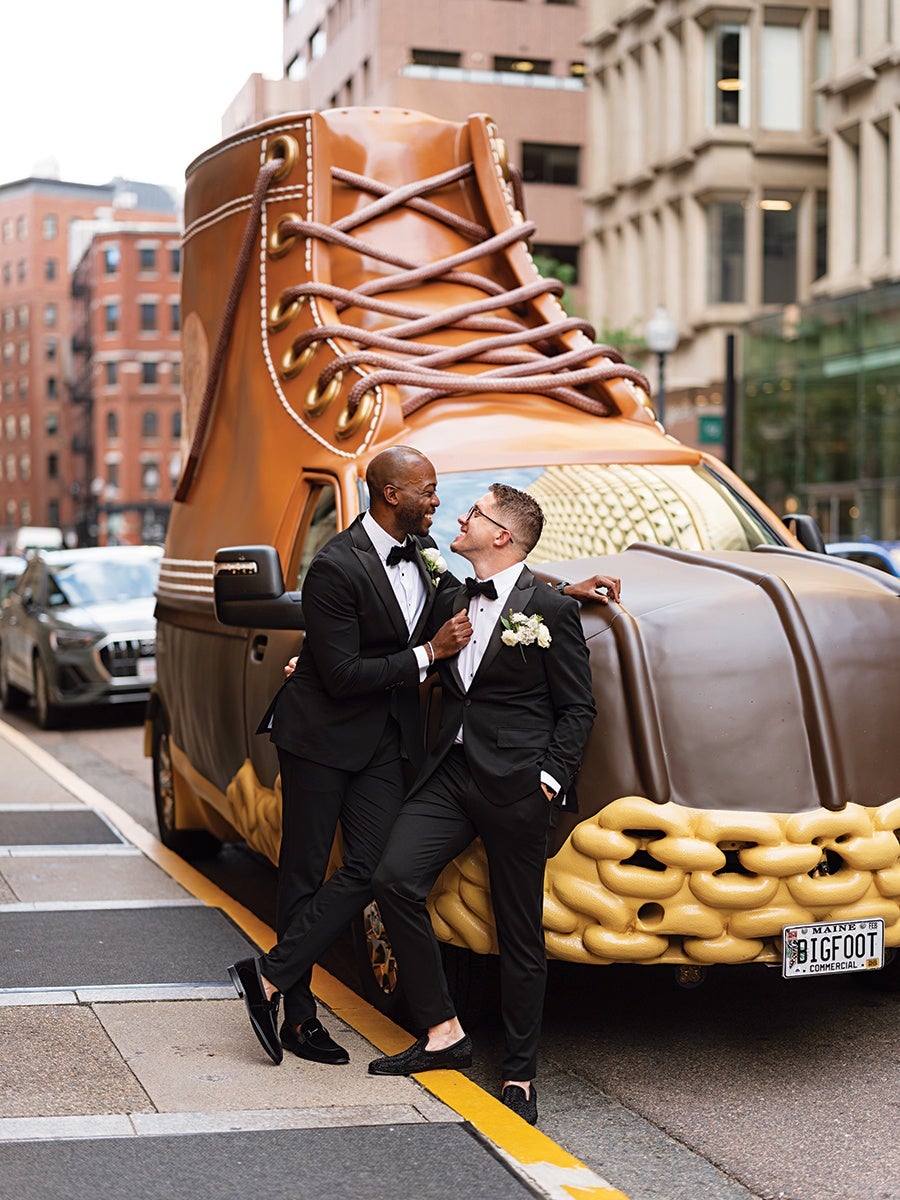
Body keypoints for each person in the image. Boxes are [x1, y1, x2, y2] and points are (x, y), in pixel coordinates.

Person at [227, 446, 471, 1066]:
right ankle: (299, 1021)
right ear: (392, 494)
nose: (437, 501)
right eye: (429, 490)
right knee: (304, 874)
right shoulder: (335, 565)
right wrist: (428, 656)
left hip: (385, 741)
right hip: (320, 738)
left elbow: (475, 592)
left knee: (373, 864)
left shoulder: (425, 548)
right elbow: (337, 674)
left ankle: (268, 977)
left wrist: (559, 592)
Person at [368, 484, 597, 1126]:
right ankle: (445, 1032)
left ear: (501, 535)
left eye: (473, 512)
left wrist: (548, 781)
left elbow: (578, 707)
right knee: (393, 878)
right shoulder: (451, 594)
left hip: (519, 785)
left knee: (519, 930)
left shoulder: (548, 609)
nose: (460, 518)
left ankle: (521, 1074)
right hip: (452, 771)